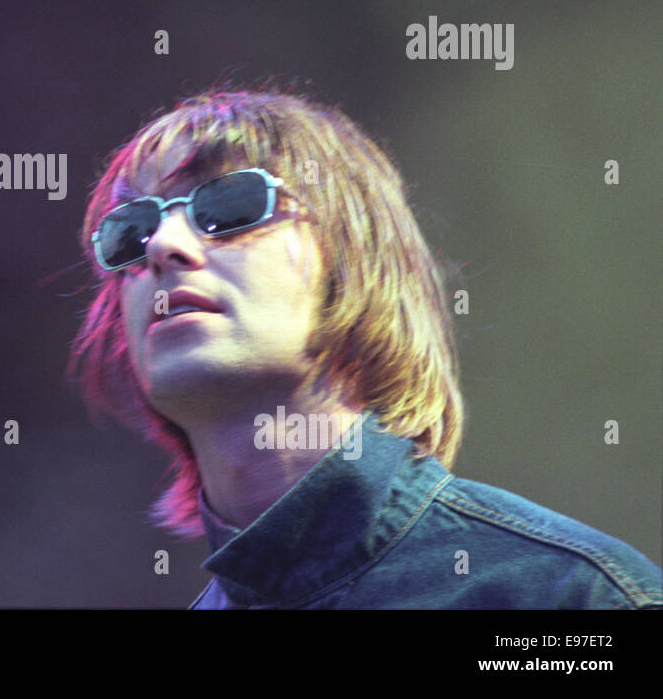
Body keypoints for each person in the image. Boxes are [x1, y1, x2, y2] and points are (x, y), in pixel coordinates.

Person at [68, 84, 662, 608]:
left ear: (357, 260)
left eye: (227, 204)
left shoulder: (568, 601)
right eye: (131, 230)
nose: (163, 244)